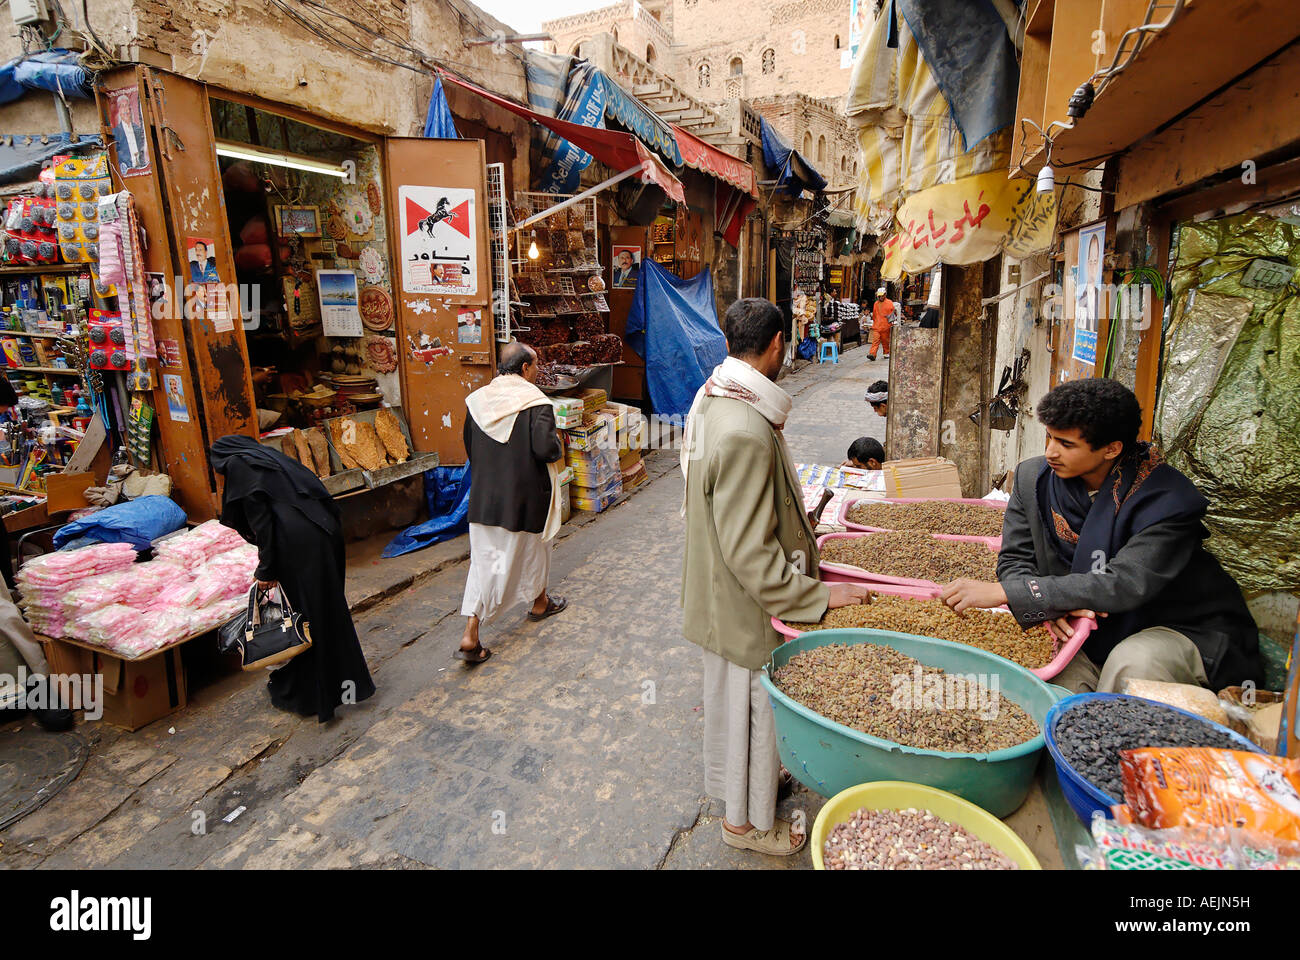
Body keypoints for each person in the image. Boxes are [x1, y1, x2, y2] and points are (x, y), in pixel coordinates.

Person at [681, 297, 871, 857]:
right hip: (744, 608)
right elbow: (749, 553)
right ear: (777, 344)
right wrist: (818, 596)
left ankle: (754, 797)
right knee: (751, 716)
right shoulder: (743, 427)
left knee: (749, 719)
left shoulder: (724, 399)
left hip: (730, 599)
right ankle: (744, 825)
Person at [939, 379, 1262, 693]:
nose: (1051, 452)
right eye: (1049, 437)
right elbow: (1016, 557)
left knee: (1132, 664)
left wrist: (1021, 593)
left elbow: (1124, 582)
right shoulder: (1032, 478)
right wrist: (1047, 606)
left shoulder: (1168, 500)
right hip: (1082, 618)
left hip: (1174, 622)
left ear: (1112, 449)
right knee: (1046, 686)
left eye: (1066, 444)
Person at [211, 435, 375, 722]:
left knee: (304, 619)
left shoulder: (242, 466)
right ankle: (346, 687)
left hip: (298, 545)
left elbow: (263, 523)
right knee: (327, 613)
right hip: (324, 534)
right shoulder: (270, 459)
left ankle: (317, 697)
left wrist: (266, 570)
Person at [457, 342, 567, 664]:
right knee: (532, 550)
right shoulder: (535, 402)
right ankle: (530, 607)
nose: (537, 371)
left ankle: (478, 627)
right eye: (535, 365)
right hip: (525, 500)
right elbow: (546, 450)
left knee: (485, 562)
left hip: (485, 500)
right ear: (524, 370)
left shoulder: (477, 402)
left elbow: (470, 447)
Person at [867, 287, 894, 361]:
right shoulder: (876, 303)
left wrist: (891, 324)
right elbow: (875, 315)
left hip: (885, 326)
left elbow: (891, 315)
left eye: (881, 295)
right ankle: (872, 354)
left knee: (885, 341)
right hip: (877, 326)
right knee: (875, 341)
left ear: (885, 295)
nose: (880, 297)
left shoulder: (889, 303)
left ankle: (886, 353)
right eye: (879, 296)